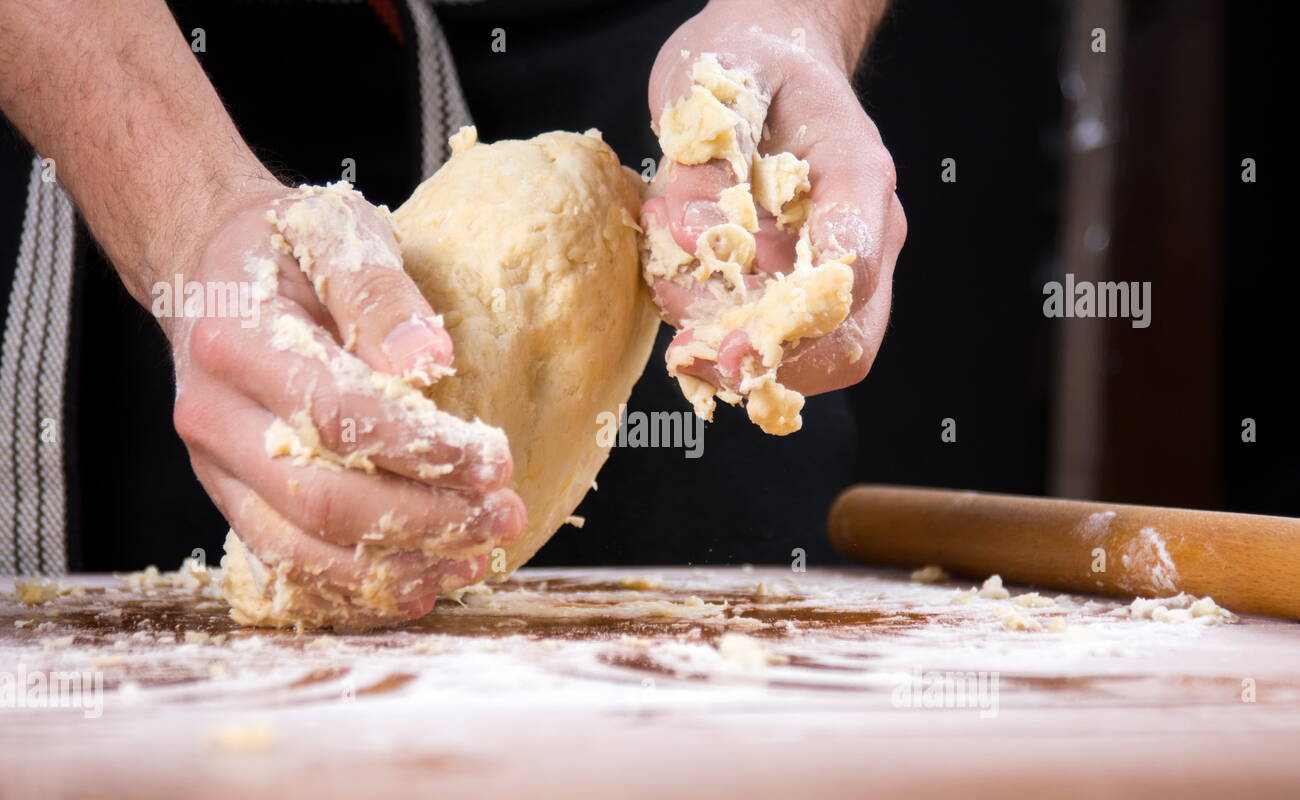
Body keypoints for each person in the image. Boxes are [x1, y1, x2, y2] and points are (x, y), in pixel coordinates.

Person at [0, 0, 904, 621]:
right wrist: (187, 217)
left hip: (654, 98)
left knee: (688, 720)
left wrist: (790, 23)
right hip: (143, 74)